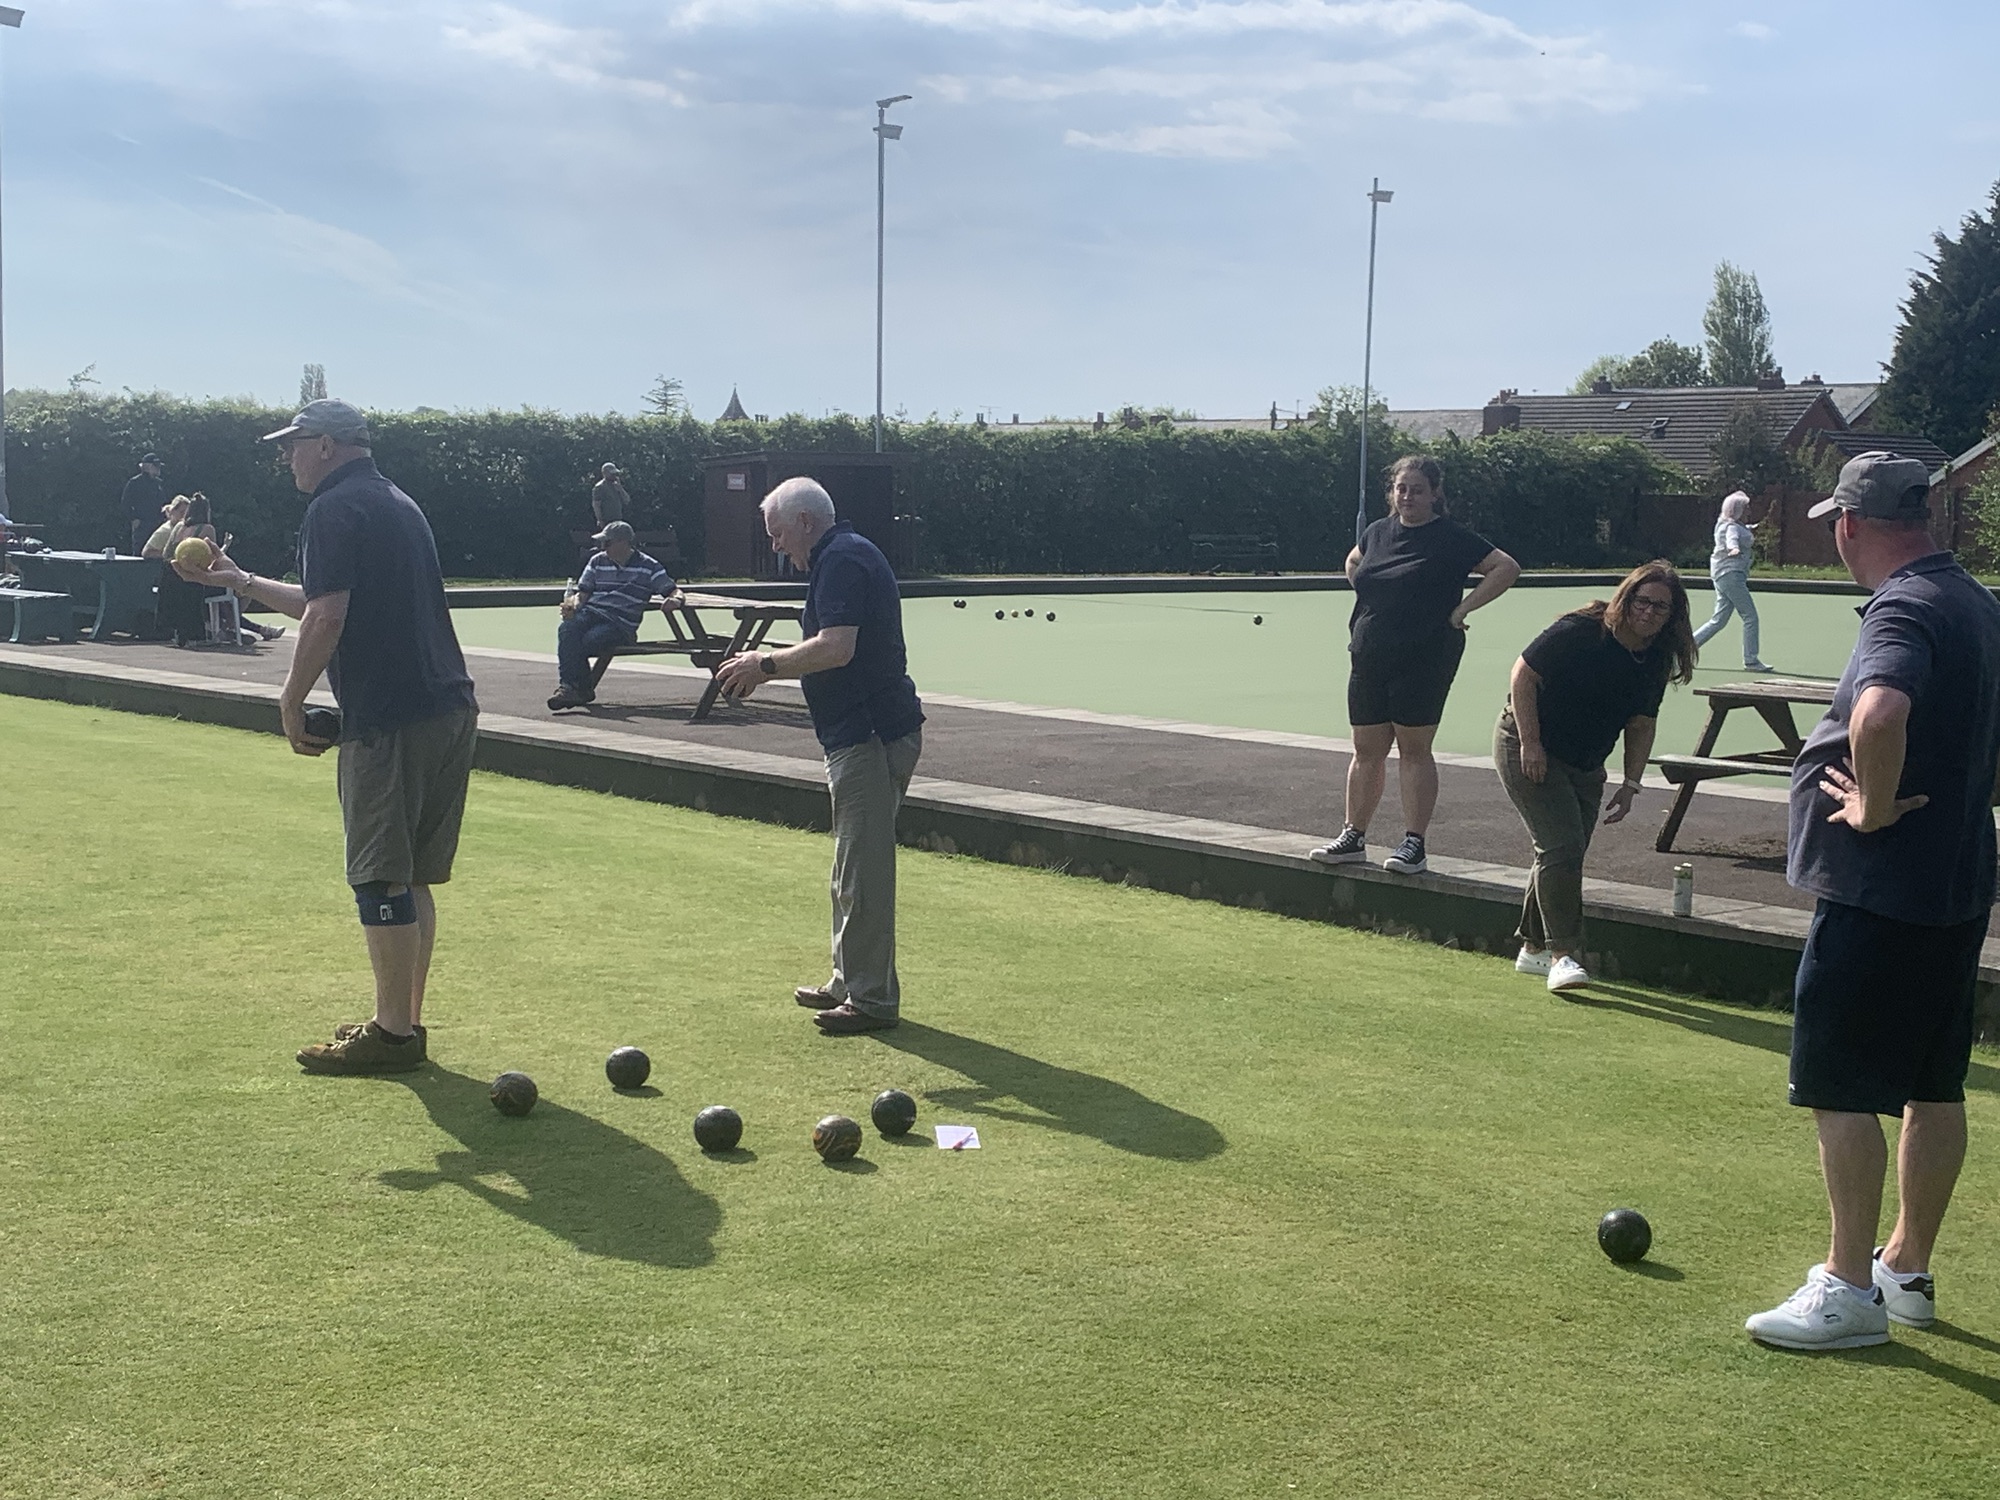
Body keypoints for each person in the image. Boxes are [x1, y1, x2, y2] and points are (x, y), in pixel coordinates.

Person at [1744, 453, 2000, 1351]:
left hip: (1878, 887)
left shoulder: (1902, 607)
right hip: (1956, 881)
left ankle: (1851, 1287)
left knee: (1839, 1082)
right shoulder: (1976, 600)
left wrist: (1874, 805)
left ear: (1848, 525)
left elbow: (1879, 713)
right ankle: (1906, 1269)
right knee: (1935, 1083)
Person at [172, 399, 479, 1074]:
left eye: (294, 444)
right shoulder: (394, 501)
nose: (286, 456)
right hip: (446, 708)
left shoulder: (333, 509)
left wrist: (289, 699)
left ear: (328, 444)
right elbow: (324, 598)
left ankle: (393, 1035)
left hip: (391, 717)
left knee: (379, 876)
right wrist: (240, 581)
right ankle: (403, 1023)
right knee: (411, 876)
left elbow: (327, 619)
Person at [713, 477, 924, 1035]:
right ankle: (846, 978)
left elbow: (837, 646)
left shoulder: (843, 560)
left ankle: (872, 1000)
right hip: (856, 733)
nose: (776, 545)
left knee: (864, 871)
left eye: (778, 533)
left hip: (871, 734)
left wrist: (764, 665)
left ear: (806, 521)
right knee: (848, 867)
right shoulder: (840, 556)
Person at [1313, 455, 1520, 873]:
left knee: (1413, 749)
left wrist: (1461, 611)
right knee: (1366, 749)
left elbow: (1505, 568)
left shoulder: (1451, 538)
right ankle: (1353, 836)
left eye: (1417, 489)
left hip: (1425, 656)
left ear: (1434, 494)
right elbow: (1354, 561)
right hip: (1370, 654)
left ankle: (1414, 844)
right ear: (1393, 492)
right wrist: (1372, 600)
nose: (1407, 497)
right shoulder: (1377, 533)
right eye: (1401, 489)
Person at [1495, 561, 1695, 993]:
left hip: (1586, 762)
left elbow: (1641, 724)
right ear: (1627, 598)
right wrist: (1531, 743)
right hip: (1527, 743)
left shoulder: (1655, 659)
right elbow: (1522, 675)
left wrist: (1631, 783)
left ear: (1672, 616)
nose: (1649, 613)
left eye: (1661, 608)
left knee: (1565, 850)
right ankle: (1565, 956)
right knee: (1561, 845)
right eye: (1643, 601)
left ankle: (1533, 948)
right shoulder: (1581, 630)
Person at [547, 520, 679, 710]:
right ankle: (569, 688)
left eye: (607, 543)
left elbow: (674, 591)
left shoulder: (648, 566)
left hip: (620, 623)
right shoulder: (597, 561)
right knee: (567, 628)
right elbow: (582, 594)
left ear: (623, 543)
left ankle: (580, 689)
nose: (602, 547)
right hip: (591, 612)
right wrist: (573, 605)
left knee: (588, 641)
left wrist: (675, 601)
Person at [1690, 491, 1773, 672]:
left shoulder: (1731, 524)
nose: (1749, 511)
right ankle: (1751, 660)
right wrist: (1734, 549)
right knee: (1750, 617)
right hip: (1731, 575)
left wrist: (1754, 527)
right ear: (1737, 510)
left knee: (1718, 620)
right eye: (1746, 508)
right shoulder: (1731, 528)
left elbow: (1742, 530)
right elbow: (1732, 539)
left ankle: (1685, 650)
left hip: (1724, 575)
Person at [144, 493, 220, 646]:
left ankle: (180, 635)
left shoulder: (179, 526)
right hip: (190, 572)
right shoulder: (207, 528)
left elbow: (166, 552)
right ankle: (197, 636)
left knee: (178, 604)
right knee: (194, 602)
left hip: (170, 571)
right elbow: (212, 555)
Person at [123, 454, 165, 555]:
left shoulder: (159, 484)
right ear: (147, 466)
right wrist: (133, 519)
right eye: (156, 466)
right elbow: (125, 503)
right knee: (139, 553)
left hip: (157, 525)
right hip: (142, 525)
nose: (158, 469)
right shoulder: (135, 483)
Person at [591, 463, 630, 529]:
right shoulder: (599, 487)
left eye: (615, 473)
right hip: (607, 521)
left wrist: (620, 489)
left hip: (618, 520)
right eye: (612, 474)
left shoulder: (616, 485)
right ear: (605, 473)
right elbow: (596, 505)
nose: (614, 475)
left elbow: (627, 500)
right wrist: (600, 520)